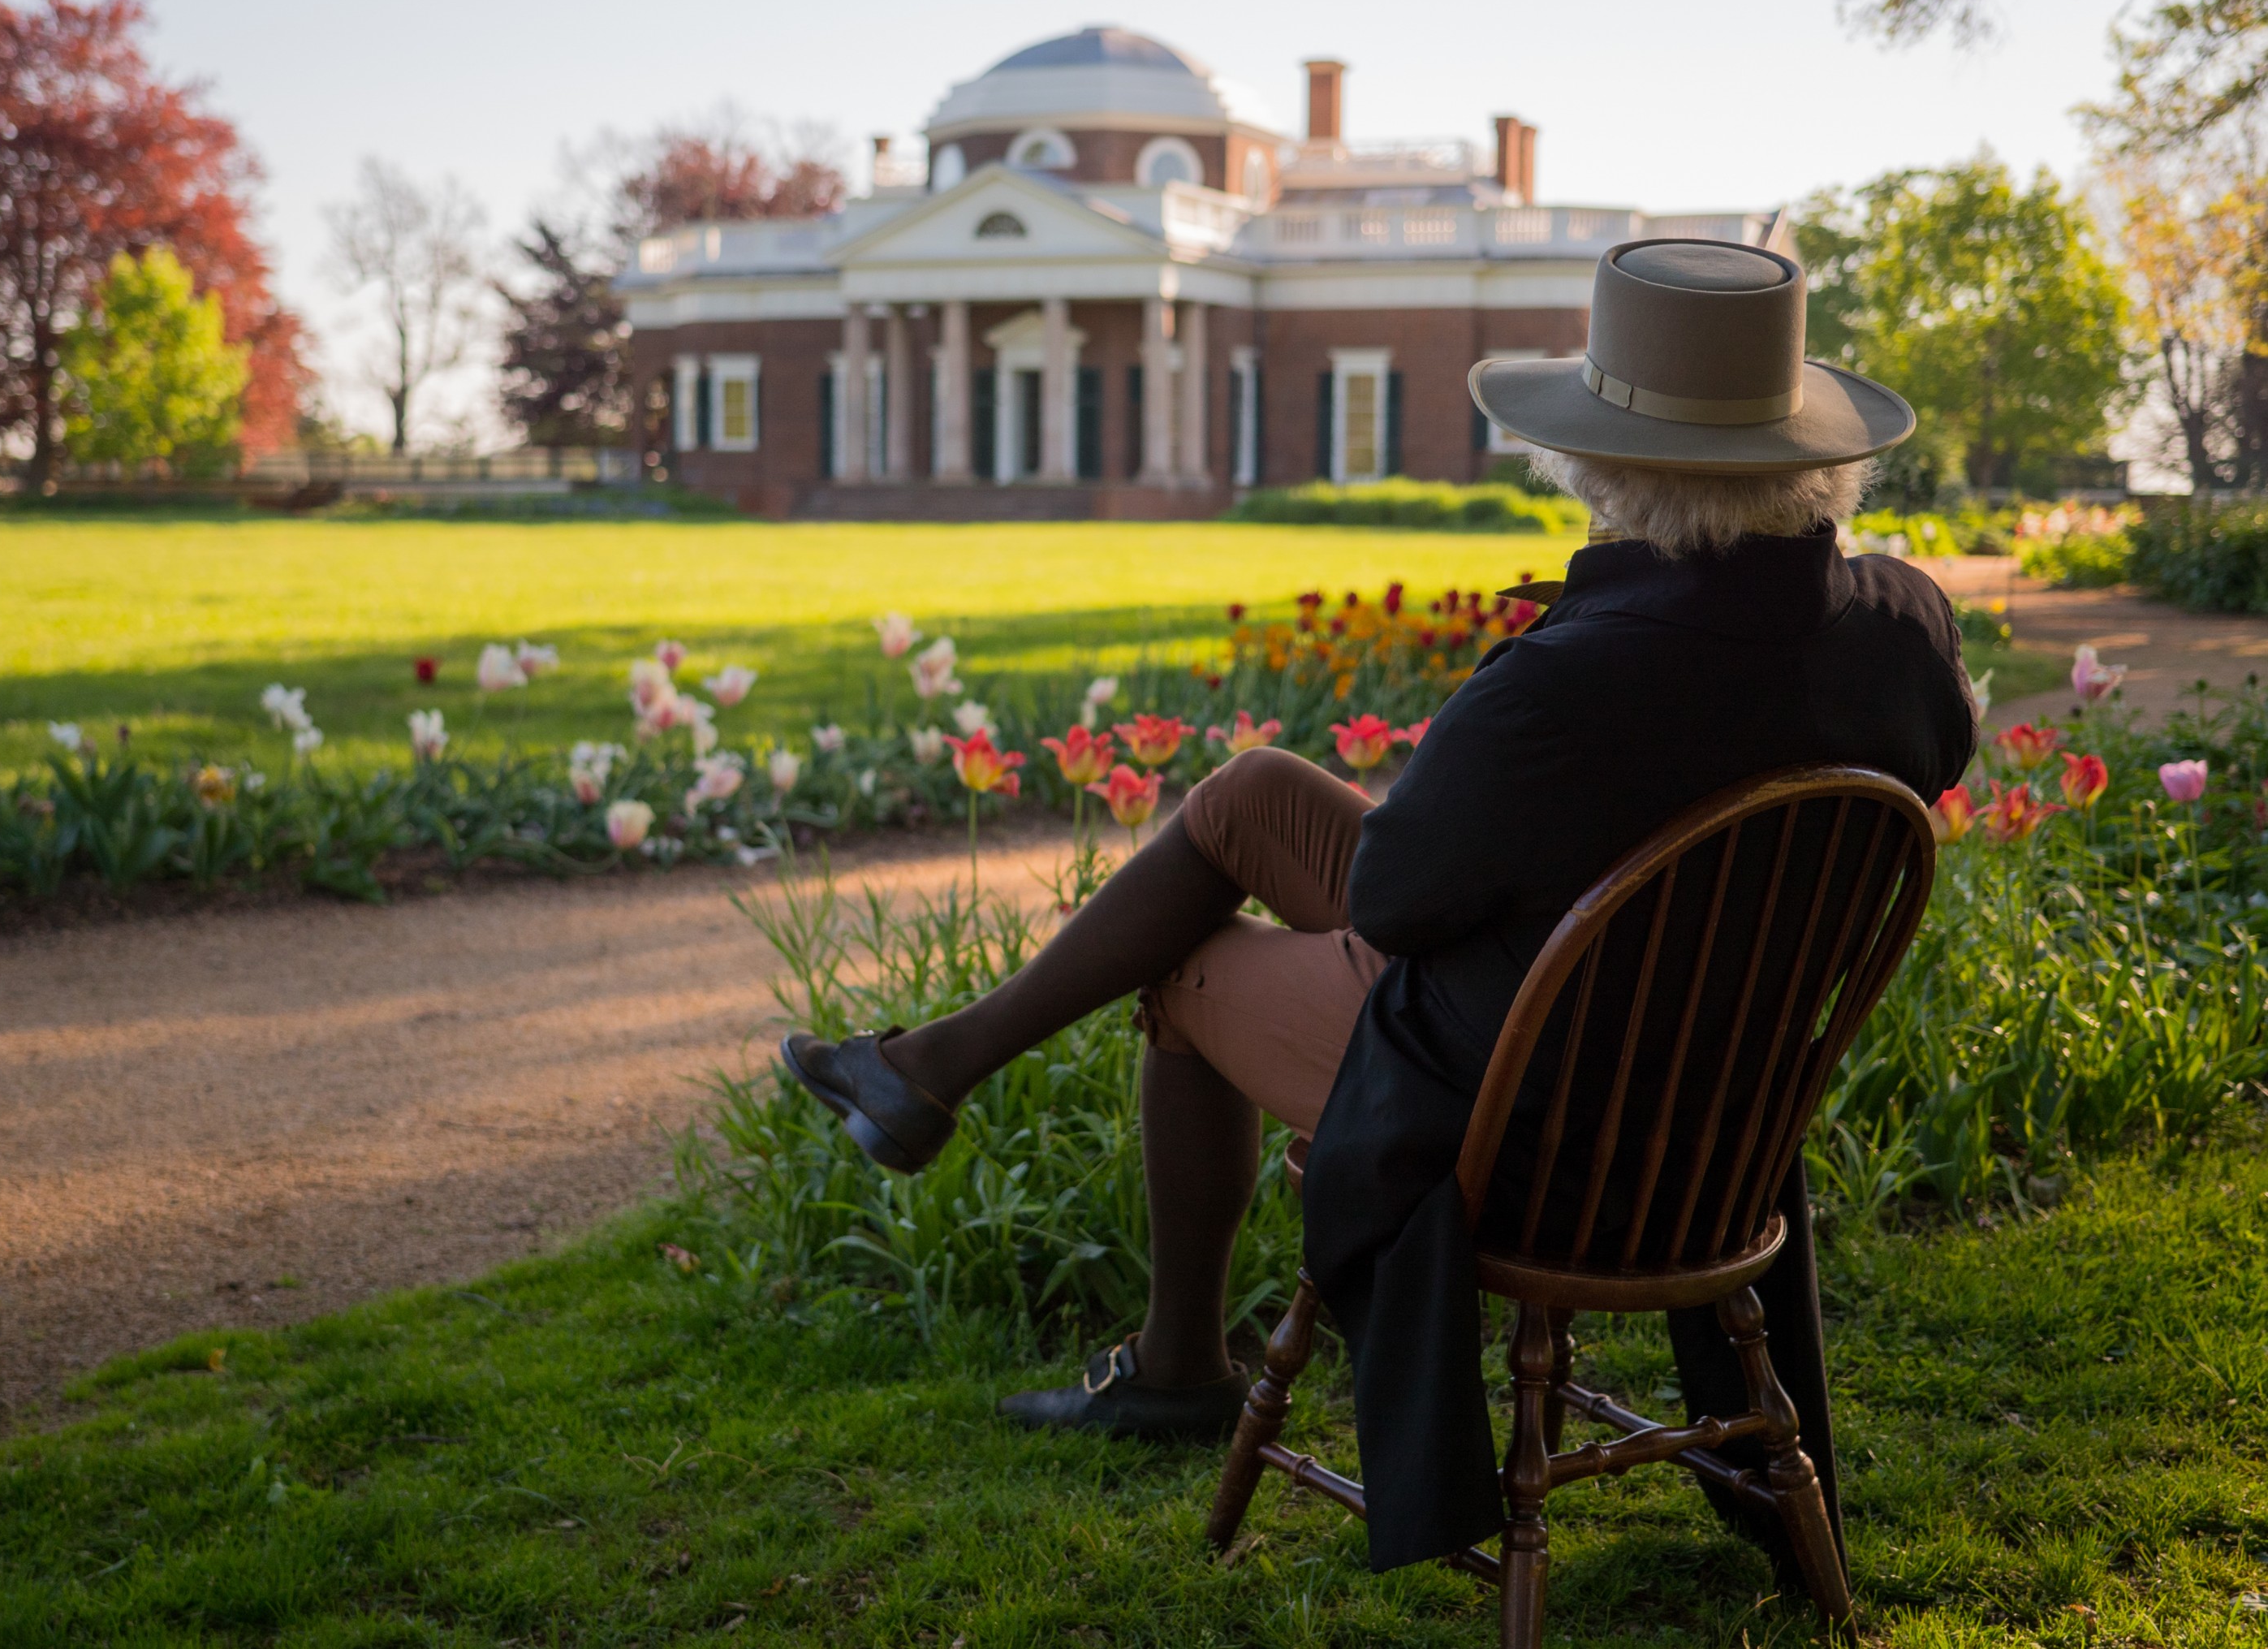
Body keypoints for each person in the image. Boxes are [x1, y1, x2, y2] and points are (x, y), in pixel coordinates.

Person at [783, 240, 1977, 1577]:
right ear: (1806, 455)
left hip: (1532, 1106)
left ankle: (1175, 1355)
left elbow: (1401, 905)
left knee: (1181, 970)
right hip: (1715, 1101)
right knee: (1251, 795)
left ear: (1599, 464)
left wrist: (1493, 754)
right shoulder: (1901, 628)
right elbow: (1880, 774)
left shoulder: (1567, 684)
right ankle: (927, 1068)